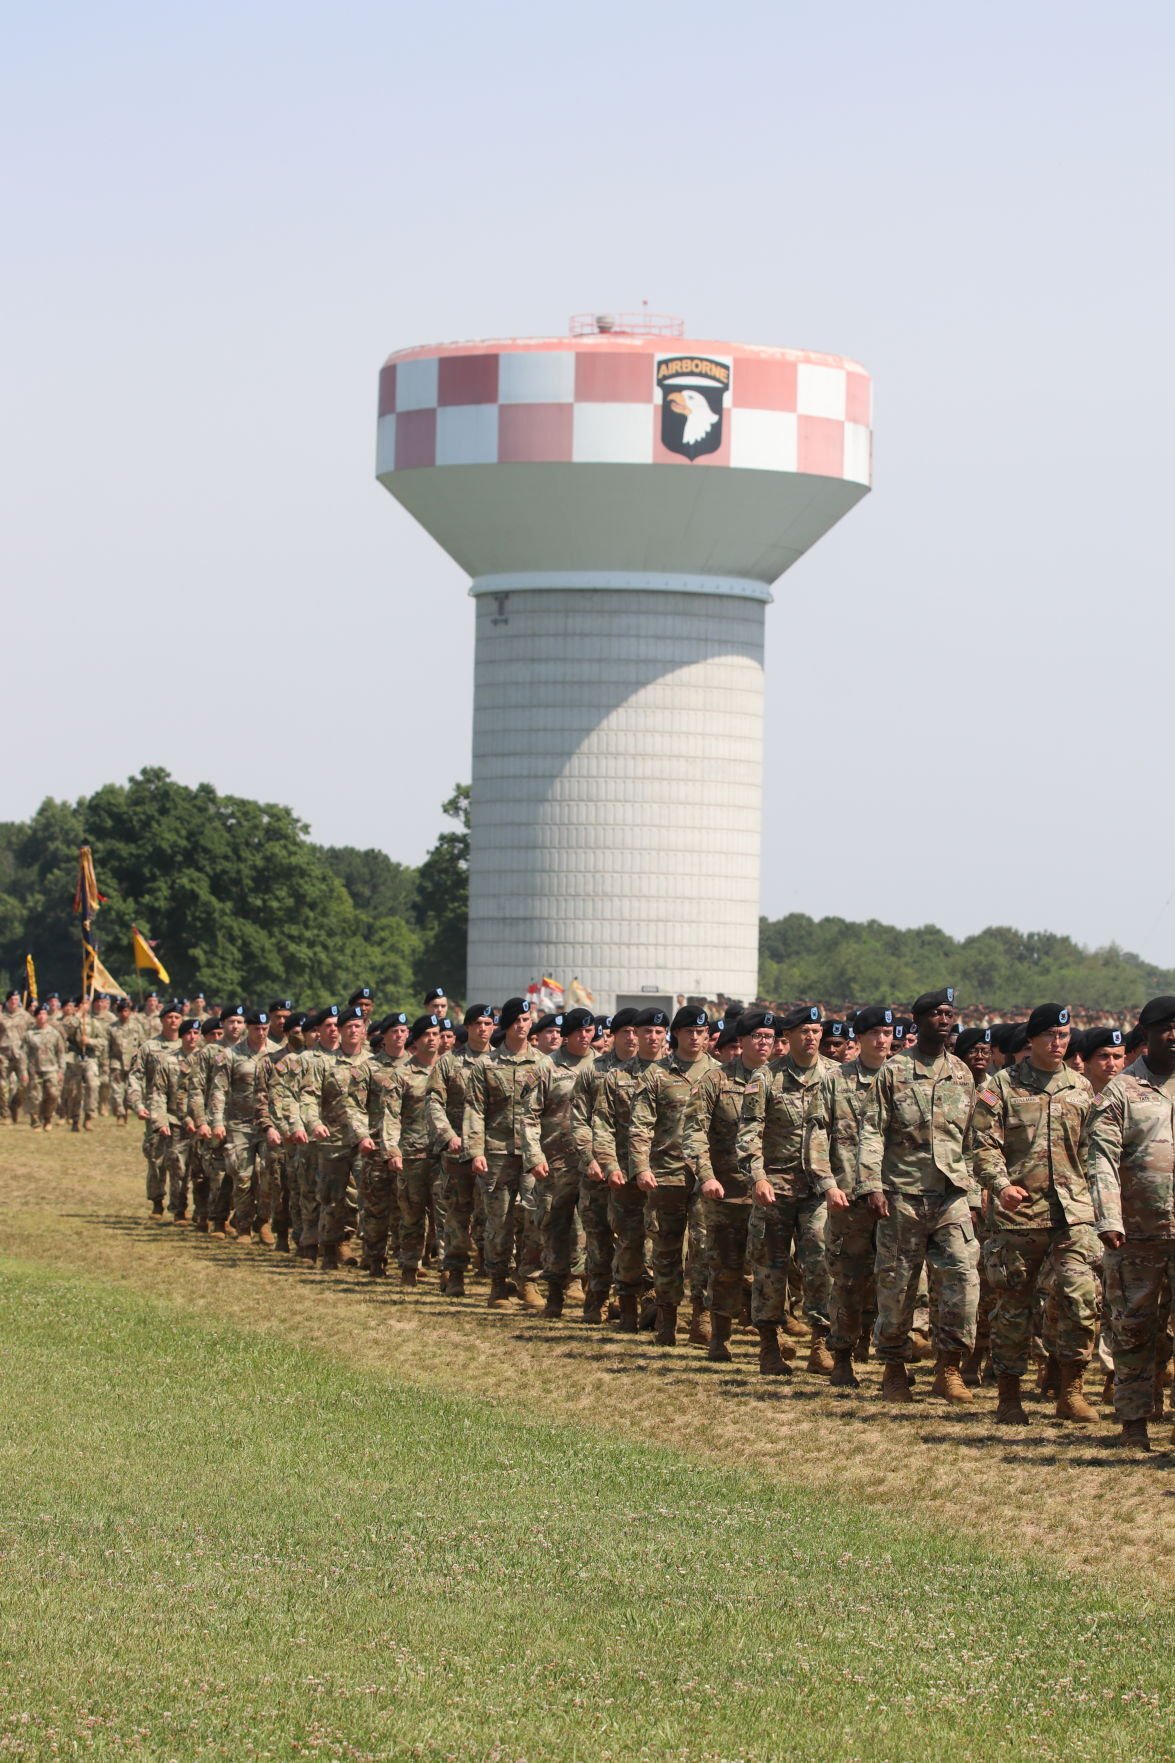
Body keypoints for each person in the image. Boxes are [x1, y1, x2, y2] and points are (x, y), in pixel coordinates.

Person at [969, 1004, 1098, 1425]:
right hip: (1019, 1216)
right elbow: (982, 1146)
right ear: (1033, 1039)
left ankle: (1071, 1389)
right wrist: (1001, 1185)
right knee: (1013, 1308)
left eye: (1063, 1036)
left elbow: (1093, 1151)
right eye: (1050, 1037)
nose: (1058, 1044)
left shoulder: (1081, 1088)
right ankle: (1009, 1395)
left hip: (1073, 1214)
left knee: (1080, 1299)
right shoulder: (1001, 1087)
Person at [857, 988, 979, 1404]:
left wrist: (975, 1194)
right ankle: (894, 1368)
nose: (944, 1020)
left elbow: (971, 1139)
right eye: (936, 1014)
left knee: (962, 1281)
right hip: (902, 1194)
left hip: (951, 1195)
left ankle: (948, 1370)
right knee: (897, 1286)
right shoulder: (894, 1072)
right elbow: (871, 1130)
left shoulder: (962, 1073)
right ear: (919, 1020)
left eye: (949, 1014)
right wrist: (871, 1184)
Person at [1086, 995, 1175, 1450]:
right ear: (1147, 1034)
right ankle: (1134, 1423)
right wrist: (1108, 1216)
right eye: (1166, 1027)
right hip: (1137, 1232)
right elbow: (1100, 1158)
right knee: (1134, 1327)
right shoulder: (1121, 1090)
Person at [738, 1004, 838, 1376]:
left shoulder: (835, 1076)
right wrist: (758, 1177)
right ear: (789, 1037)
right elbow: (748, 1133)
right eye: (803, 1032)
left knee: (821, 1262)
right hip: (775, 1187)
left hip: (818, 1189)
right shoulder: (766, 1078)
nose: (810, 1037)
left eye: (815, 1031)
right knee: (769, 1266)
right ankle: (768, 1345)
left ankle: (820, 1343)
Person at [627, 1007, 716, 1347]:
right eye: (689, 1031)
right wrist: (641, 1167)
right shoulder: (657, 1076)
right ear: (675, 1034)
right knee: (665, 1249)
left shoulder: (719, 1074)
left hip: (706, 1176)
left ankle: (702, 1315)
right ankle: (667, 1315)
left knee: (705, 1247)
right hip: (667, 1174)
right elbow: (640, 1126)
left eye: (701, 1031)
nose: (695, 1037)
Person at [694, 1009, 777, 1368]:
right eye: (757, 1037)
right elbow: (694, 1132)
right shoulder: (716, 1080)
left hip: (771, 1191)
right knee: (725, 1266)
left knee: (769, 1268)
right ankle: (721, 1335)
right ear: (740, 1042)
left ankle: (770, 1342)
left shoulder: (782, 1080)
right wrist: (706, 1175)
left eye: (770, 1038)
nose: (764, 1043)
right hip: (727, 1190)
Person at [824, 1006, 895, 1388]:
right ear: (859, 1037)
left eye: (887, 1032)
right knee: (849, 1282)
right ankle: (842, 1356)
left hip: (894, 1198)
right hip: (849, 1199)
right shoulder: (836, 1080)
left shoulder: (902, 1077)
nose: (882, 1039)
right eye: (874, 1033)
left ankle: (890, 1362)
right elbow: (817, 1136)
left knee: (894, 1282)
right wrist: (828, 1183)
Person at [593, 1008, 661, 1333]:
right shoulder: (615, 1078)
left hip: (666, 1175)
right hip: (625, 1174)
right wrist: (608, 1164)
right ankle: (630, 1308)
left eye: (646, 1031)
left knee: (665, 1242)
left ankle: (657, 1304)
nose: (639, 1038)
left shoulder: (674, 1076)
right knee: (629, 1241)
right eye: (634, 1031)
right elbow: (602, 1126)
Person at [425, 1004, 496, 1297]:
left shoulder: (501, 1062)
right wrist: (448, 1135)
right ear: (466, 1027)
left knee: (493, 1214)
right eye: (477, 1023)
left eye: (488, 1023)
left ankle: (495, 1272)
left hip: (492, 1151)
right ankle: (454, 1272)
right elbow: (433, 1103)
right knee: (457, 1213)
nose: (483, 1028)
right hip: (457, 1151)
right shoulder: (449, 1063)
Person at [534, 1006, 597, 1319]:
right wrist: (533, 1155)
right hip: (556, 1161)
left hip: (593, 1162)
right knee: (555, 1226)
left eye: (589, 1031)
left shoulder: (602, 1066)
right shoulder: (547, 1066)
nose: (584, 1036)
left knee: (594, 1229)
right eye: (578, 1032)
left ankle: (593, 1296)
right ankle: (555, 1294)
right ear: (567, 1035)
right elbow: (528, 1115)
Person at [379, 1013, 444, 1286]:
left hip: (443, 1156)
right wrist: (392, 1149)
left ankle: (448, 1271)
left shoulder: (449, 1070)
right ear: (415, 1040)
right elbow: (391, 1115)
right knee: (412, 1216)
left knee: (445, 1215)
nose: (432, 1039)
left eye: (436, 1034)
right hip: (413, 1155)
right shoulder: (402, 1074)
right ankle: (409, 1268)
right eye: (426, 1034)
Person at [317, 1005, 375, 1271]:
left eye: (358, 1026)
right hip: (334, 1138)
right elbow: (311, 1097)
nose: (353, 1031)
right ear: (339, 1031)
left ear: (364, 1030)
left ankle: (351, 1243)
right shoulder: (326, 1063)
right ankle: (329, 1246)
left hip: (365, 1139)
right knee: (333, 1196)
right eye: (348, 1027)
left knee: (364, 1195)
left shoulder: (374, 1063)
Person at [20, 1003, 65, 1130]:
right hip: (35, 1069)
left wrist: (61, 1070)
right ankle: (35, 1122)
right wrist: (23, 1071)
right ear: (35, 1017)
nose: (41, 1016)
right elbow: (23, 1054)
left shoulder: (54, 1034)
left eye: (44, 1013)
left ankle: (48, 1118)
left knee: (53, 1094)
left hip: (51, 1069)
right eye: (39, 1014)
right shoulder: (29, 1034)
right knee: (35, 1097)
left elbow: (61, 1053)